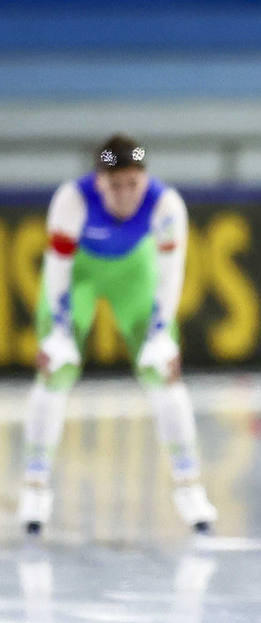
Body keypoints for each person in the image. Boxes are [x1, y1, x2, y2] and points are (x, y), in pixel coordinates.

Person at [17, 135, 218, 535]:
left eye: (134, 184)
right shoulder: (71, 202)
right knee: (55, 370)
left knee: (165, 372)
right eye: (115, 186)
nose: (126, 195)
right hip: (80, 275)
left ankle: (189, 484)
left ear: (145, 178)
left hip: (134, 273)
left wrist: (161, 333)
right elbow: (57, 270)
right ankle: (35, 485)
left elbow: (171, 272)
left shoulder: (165, 205)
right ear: (99, 181)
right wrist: (58, 331)